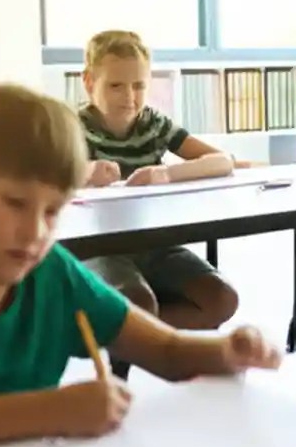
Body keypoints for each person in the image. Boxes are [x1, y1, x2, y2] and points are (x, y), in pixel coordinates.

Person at [0, 84, 281, 447]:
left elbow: (165, 350)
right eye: (15, 203)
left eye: (53, 211)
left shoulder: (52, 274)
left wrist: (228, 351)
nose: (35, 232)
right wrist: (48, 411)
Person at [78, 30, 240, 333]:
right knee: (139, 301)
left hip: (156, 243)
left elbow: (222, 161)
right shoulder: (73, 126)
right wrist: (85, 172)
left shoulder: (154, 124)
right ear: (89, 82)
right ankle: (128, 345)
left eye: (139, 86)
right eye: (115, 86)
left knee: (222, 299)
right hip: (98, 247)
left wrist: (166, 173)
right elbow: (41, 177)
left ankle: (128, 334)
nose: (130, 97)